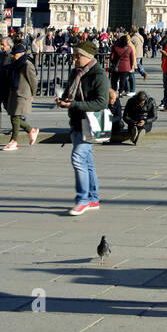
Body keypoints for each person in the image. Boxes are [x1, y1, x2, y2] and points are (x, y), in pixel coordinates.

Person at [57, 41, 110, 215]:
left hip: (90, 123)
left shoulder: (99, 75)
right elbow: (69, 93)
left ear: (87, 56)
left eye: (77, 55)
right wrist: (63, 101)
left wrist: (75, 105)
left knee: (78, 158)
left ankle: (83, 199)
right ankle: (93, 198)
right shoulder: (76, 72)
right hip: (76, 121)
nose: (74, 58)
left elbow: (102, 102)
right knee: (87, 162)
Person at [2, 39, 41, 152]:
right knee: (14, 116)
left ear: (21, 53)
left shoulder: (27, 64)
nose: (13, 56)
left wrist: (32, 94)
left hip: (22, 93)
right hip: (15, 91)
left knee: (15, 116)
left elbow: (33, 81)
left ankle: (14, 141)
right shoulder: (17, 63)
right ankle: (31, 130)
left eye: (15, 54)